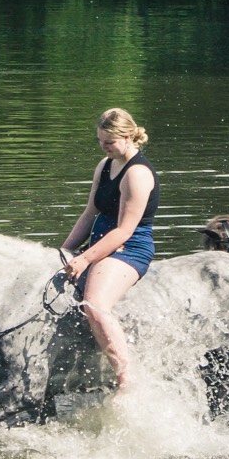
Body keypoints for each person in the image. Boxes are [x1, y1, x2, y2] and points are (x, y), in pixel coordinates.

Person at [61, 108, 158, 390]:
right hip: (100, 243)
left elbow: (125, 230)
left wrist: (85, 259)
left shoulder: (137, 173)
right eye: (100, 141)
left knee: (94, 304)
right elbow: (89, 213)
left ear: (128, 137)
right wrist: (65, 252)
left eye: (109, 142)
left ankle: (126, 378)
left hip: (129, 248)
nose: (103, 147)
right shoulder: (105, 165)